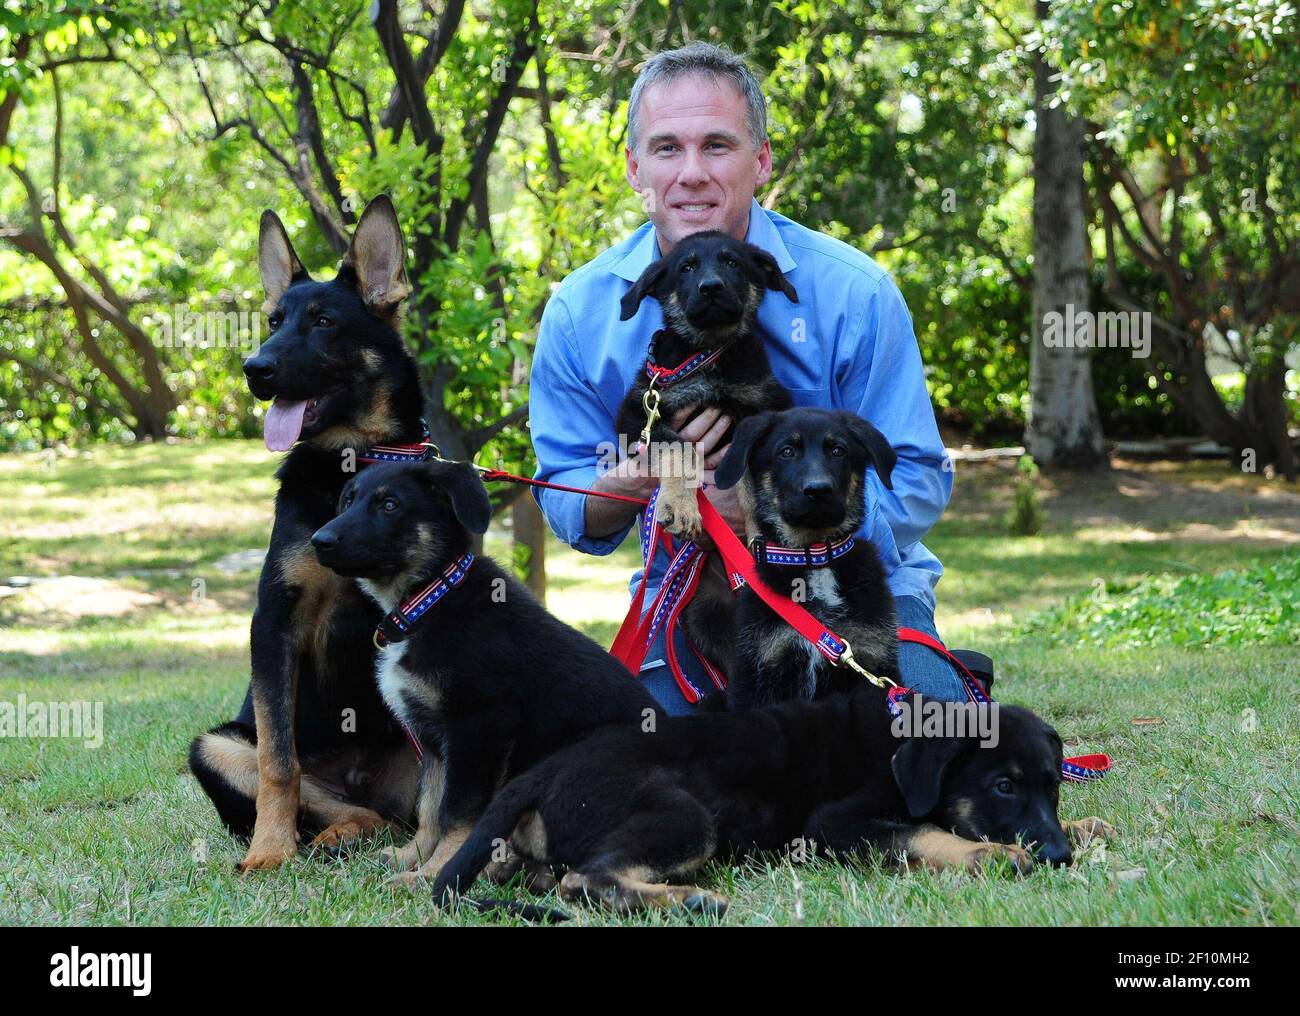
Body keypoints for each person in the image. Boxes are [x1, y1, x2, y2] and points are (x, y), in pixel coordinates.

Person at [529, 42, 963, 715]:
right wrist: (624, 482)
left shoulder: (856, 293)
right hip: (694, 600)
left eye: (718, 146)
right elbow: (561, 489)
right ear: (634, 167)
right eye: (667, 148)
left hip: (853, 591)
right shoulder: (580, 312)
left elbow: (919, 476)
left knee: (929, 739)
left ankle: (937, 682)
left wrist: (769, 516)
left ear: (760, 160)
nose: (692, 173)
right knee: (644, 774)